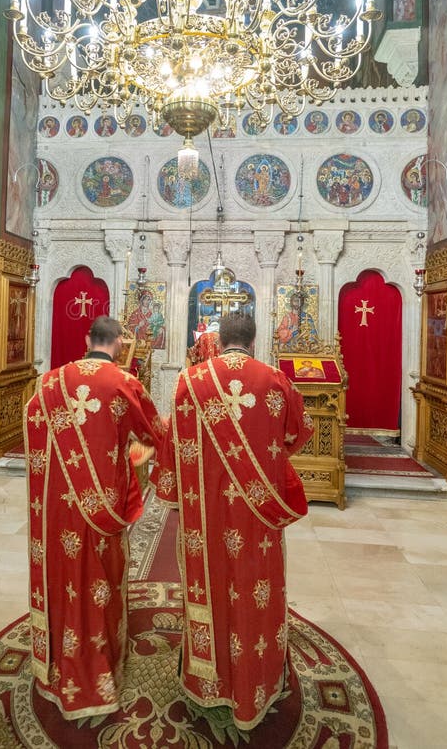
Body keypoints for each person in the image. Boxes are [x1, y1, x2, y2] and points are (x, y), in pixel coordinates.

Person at [152, 313, 313, 731]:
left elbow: (173, 445)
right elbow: (300, 433)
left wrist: (171, 488)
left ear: (219, 341)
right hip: (257, 516)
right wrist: (267, 462)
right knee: (254, 587)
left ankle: (208, 680)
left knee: (214, 583)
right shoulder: (277, 381)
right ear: (254, 340)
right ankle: (255, 681)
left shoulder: (190, 382)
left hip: (205, 514)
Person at [24, 316, 165, 720]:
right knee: (100, 577)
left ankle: (59, 667)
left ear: (87, 339)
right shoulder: (125, 383)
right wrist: (137, 456)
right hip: (103, 505)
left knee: (66, 577)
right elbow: (155, 434)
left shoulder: (48, 384)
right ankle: (97, 667)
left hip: (59, 506)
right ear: (120, 344)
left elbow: (39, 434)